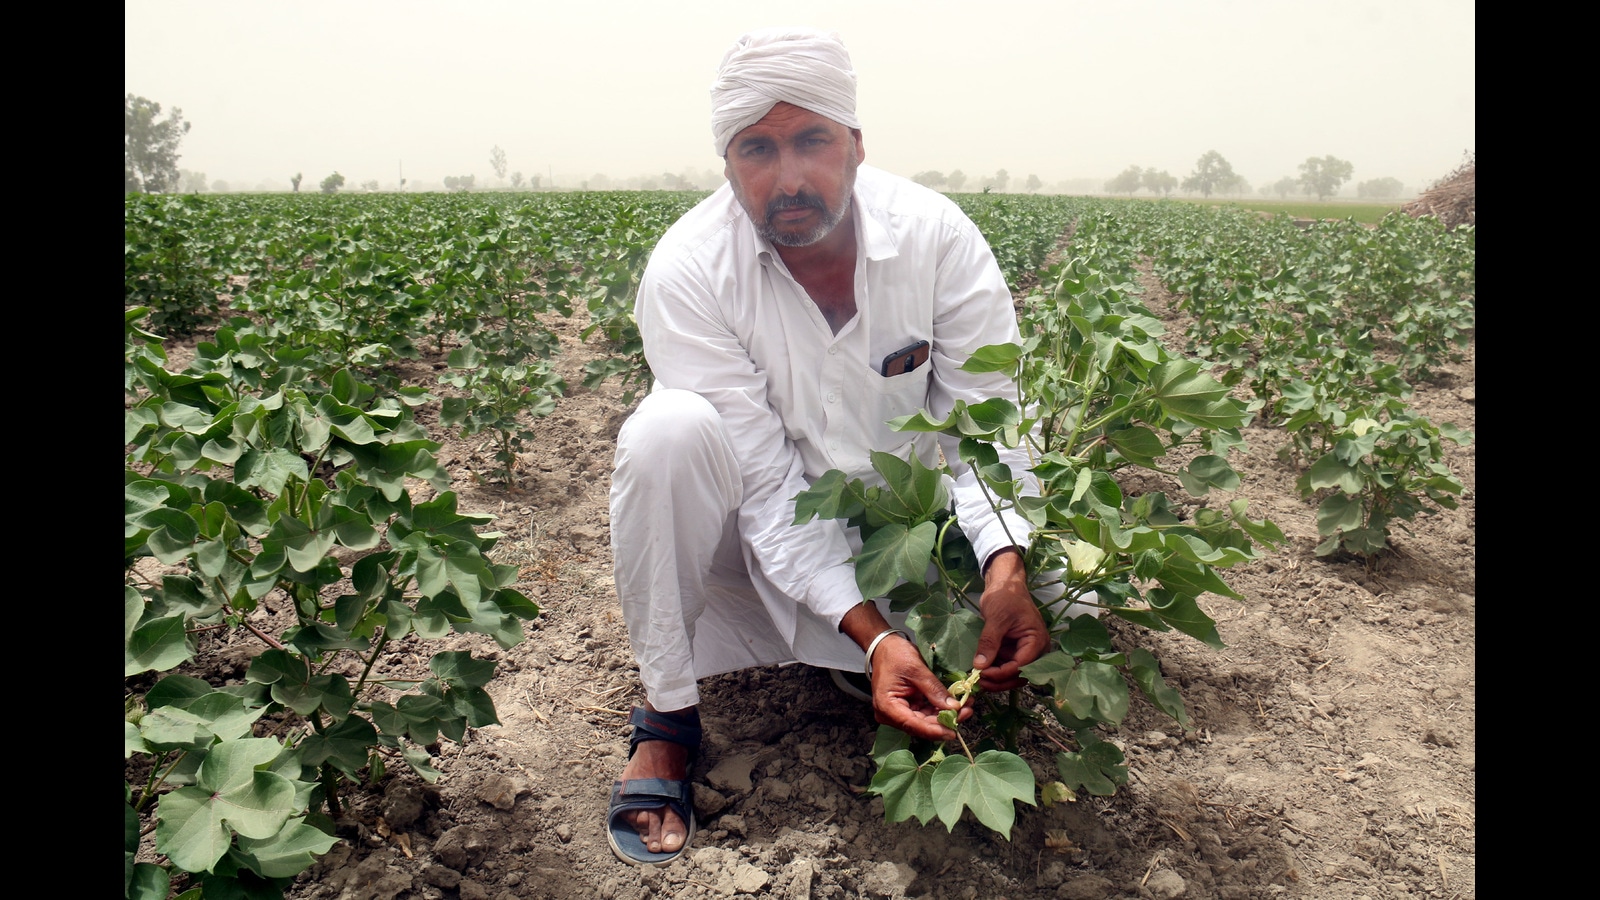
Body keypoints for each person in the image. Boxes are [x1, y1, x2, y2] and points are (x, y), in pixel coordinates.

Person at [605, 26, 1056, 867]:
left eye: (812, 140)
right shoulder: (690, 272)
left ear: (854, 144)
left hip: (912, 541)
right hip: (756, 553)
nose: (789, 178)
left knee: (1064, 587)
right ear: (728, 162)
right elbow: (768, 486)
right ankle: (668, 716)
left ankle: (906, 639)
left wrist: (1004, 568)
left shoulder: (936, 238)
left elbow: (985, 427)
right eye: (757, 149)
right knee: (666, 434)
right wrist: (875, 635)